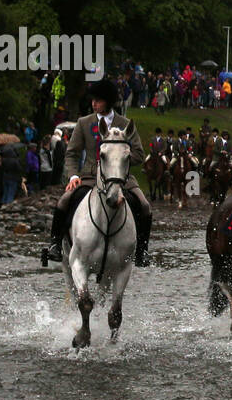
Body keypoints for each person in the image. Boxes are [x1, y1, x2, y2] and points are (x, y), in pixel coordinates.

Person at [43, 78, 154, 267]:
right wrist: (73, 175)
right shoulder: (84, 123)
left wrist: (121, 158)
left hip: (121, 176)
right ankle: (55, 245)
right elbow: (72, 153)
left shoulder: (125, 124)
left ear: (108, 102)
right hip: (89, 175)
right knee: (64, 201)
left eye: (99, 100)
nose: (94, 103)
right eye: (93, 100)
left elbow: (139, 154)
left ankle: (142, 251)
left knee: (144, 206)